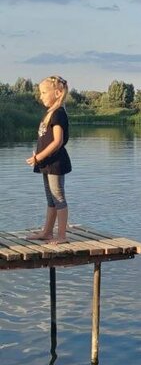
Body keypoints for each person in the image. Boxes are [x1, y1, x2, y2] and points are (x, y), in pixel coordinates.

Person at [26, 75, 72, 243]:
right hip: (47, 163)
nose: (41, 96)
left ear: (58, 93)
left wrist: (38, 157)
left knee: (58, 197)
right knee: (50, 199)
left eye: (44, 92)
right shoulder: (51, 112)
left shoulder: (59, 113)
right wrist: (39, 159)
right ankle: (47, 232)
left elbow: (57, 141)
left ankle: (62, 236)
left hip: (55, 162)